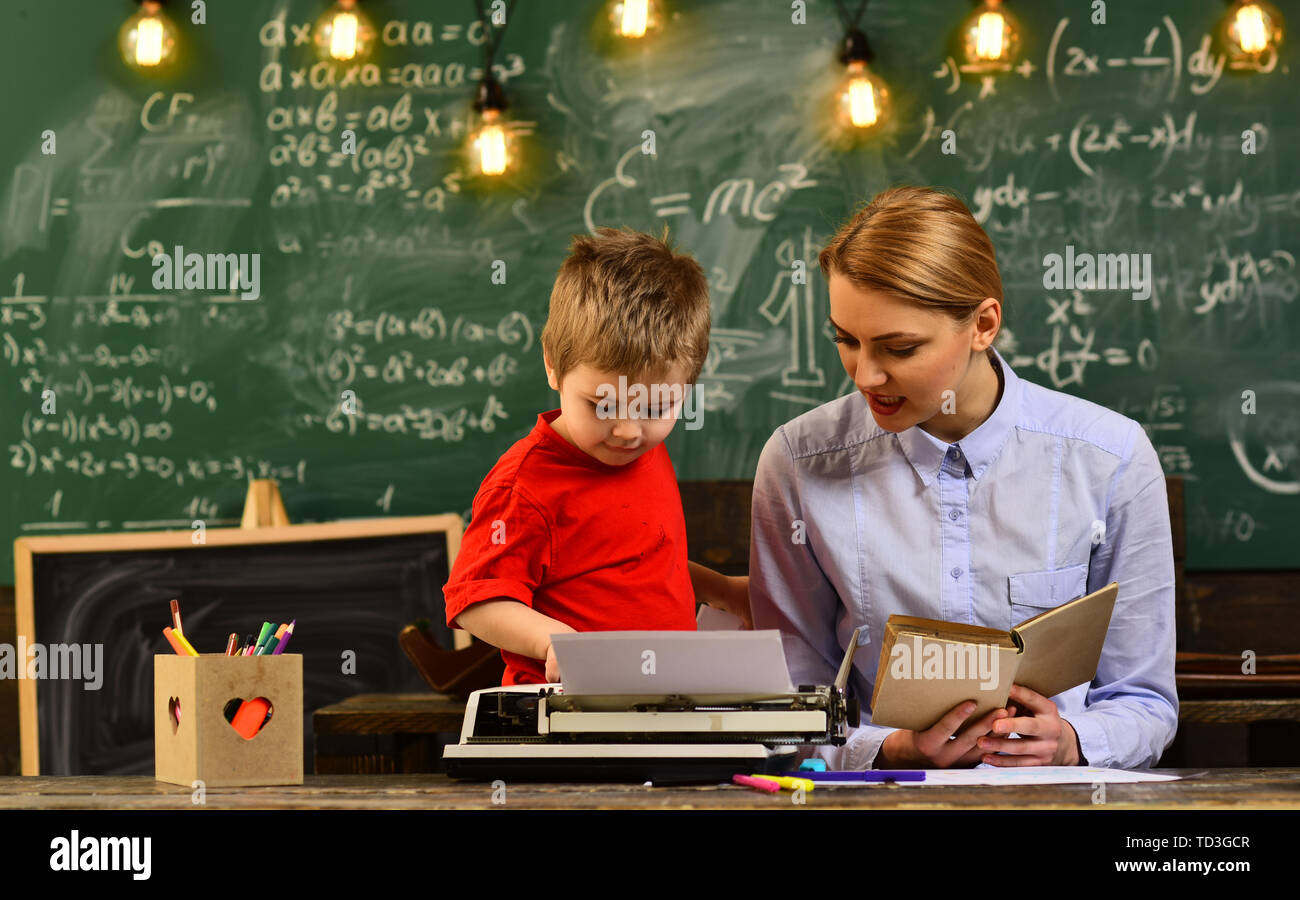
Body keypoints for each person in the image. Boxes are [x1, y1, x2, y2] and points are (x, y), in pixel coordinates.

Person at [749, 186, 1178, 769]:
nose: (866, 374)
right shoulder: (797, 463)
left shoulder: (1111, 457)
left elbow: (1144, 701)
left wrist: (1071, 743)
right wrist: (891, 750)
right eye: (846, 341)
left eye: (899, 347)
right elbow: (789, 707)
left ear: (983, 323)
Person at [444, 227, 749, 685]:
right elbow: (476, 599)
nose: (628, 431)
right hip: (571, 717)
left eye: (655, 407)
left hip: (666, 698)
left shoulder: (645, 453)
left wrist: (719, 589)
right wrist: (552, 640)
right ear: (552, 363)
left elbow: (638, 564)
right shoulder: (522, 487)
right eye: (603, 405)